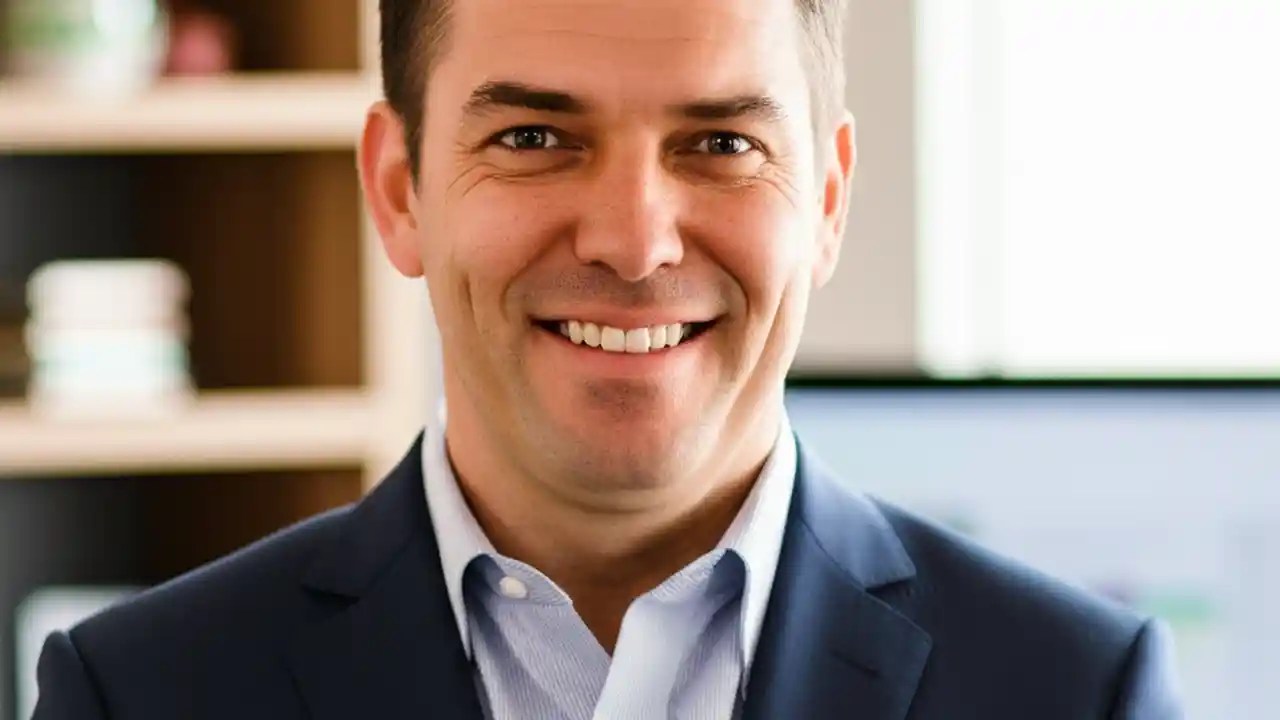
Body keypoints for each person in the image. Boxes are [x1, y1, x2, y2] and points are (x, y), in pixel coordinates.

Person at [32, 0, 1183, 717]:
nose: (633, 242)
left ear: (825, 200)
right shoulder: (139, 694)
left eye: (721, 143)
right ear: (399, 191)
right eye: (533, 139)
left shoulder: (1075, 691)